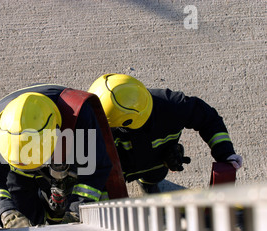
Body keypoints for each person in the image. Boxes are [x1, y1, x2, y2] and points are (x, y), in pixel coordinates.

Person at [0, 84, 124, 229]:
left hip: (65, 165)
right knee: (23, 226)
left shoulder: (78, 116)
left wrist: (75, 211)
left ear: (57, 133)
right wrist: (6, 213)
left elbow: (95, 169)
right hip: (18, 176)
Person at [88, 73, 243, 193]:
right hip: (120, 170)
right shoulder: (101, 117)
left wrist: (225, 153)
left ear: (127, 121)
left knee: (154, 175)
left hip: (157, 164)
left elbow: (208, 120)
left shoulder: (173, 107)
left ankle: (148, 184)